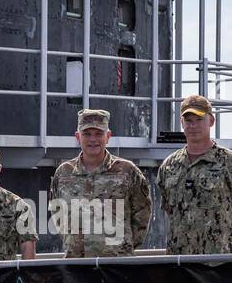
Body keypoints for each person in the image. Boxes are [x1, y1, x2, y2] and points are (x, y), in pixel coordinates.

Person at [157, 94, 232, 254]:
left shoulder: (231, 162)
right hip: (179, 263)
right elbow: (170, 210)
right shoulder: (169, 166)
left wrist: (228, 241)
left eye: (199, 120)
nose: (193, 126)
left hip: (219, 264)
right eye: (188, 120)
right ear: (181, 123)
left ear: (211, 121)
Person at [48, 108, 153, 257]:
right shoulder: (63, 173)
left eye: (98, 134)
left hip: (116, 265)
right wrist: (74, 242)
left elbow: (143, 214)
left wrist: (121, 246)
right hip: (77, 264)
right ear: (78, 136)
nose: (93, 139)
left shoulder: (127, 171)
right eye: (87, 134)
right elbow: (57, 214)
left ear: (108, 136)